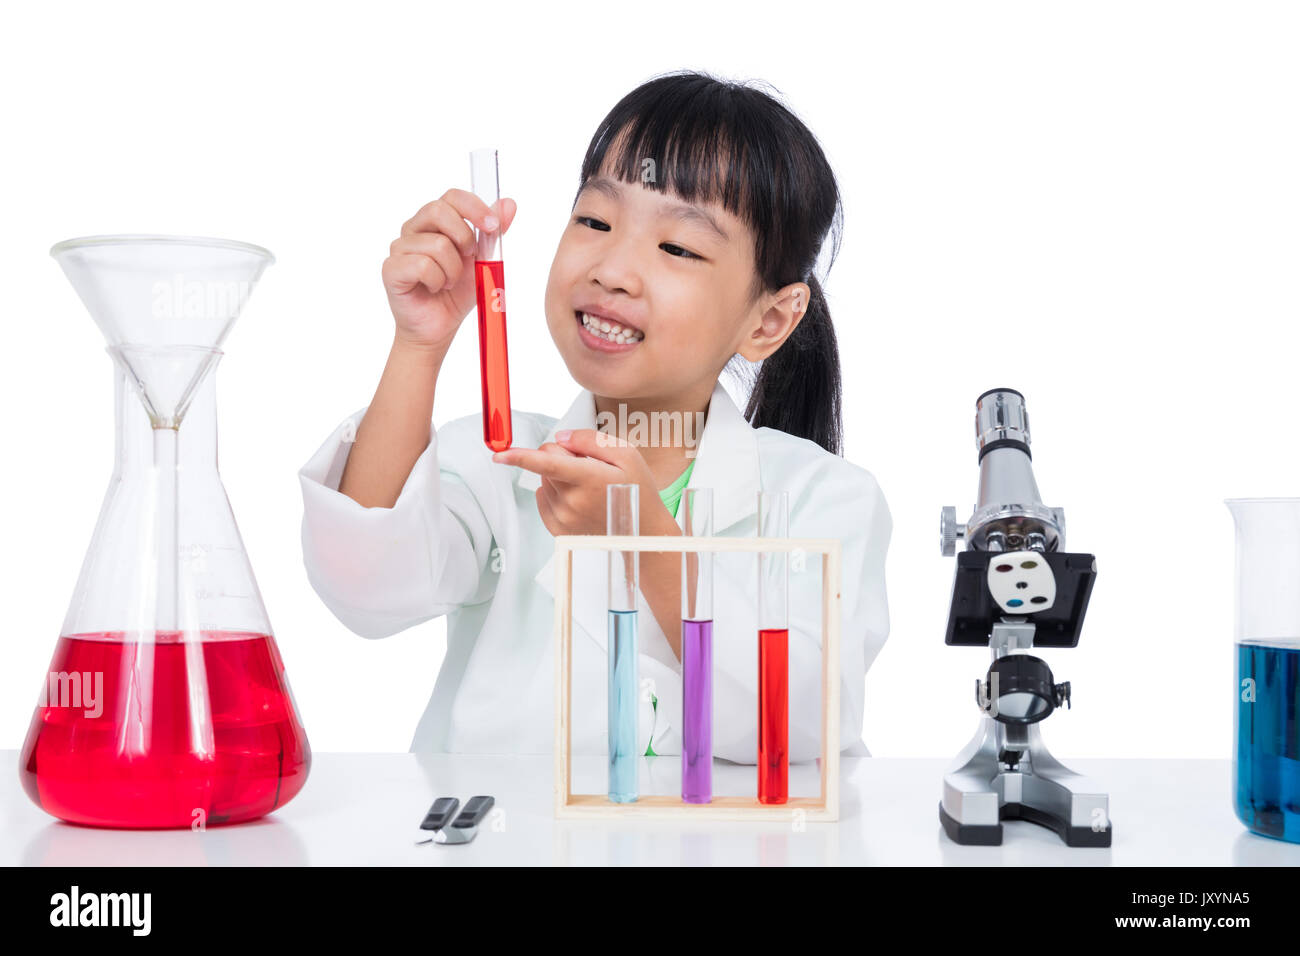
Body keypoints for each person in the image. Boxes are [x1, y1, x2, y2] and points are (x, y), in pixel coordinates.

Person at [298, 70, 891, 760]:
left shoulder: (822, 500)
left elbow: (803, 726)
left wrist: (647, 540)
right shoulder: (498, 461)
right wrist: (418, 343)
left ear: (770, 319)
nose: (612, 269)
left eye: (678, 248)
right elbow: (366, 585)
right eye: (594, 221)